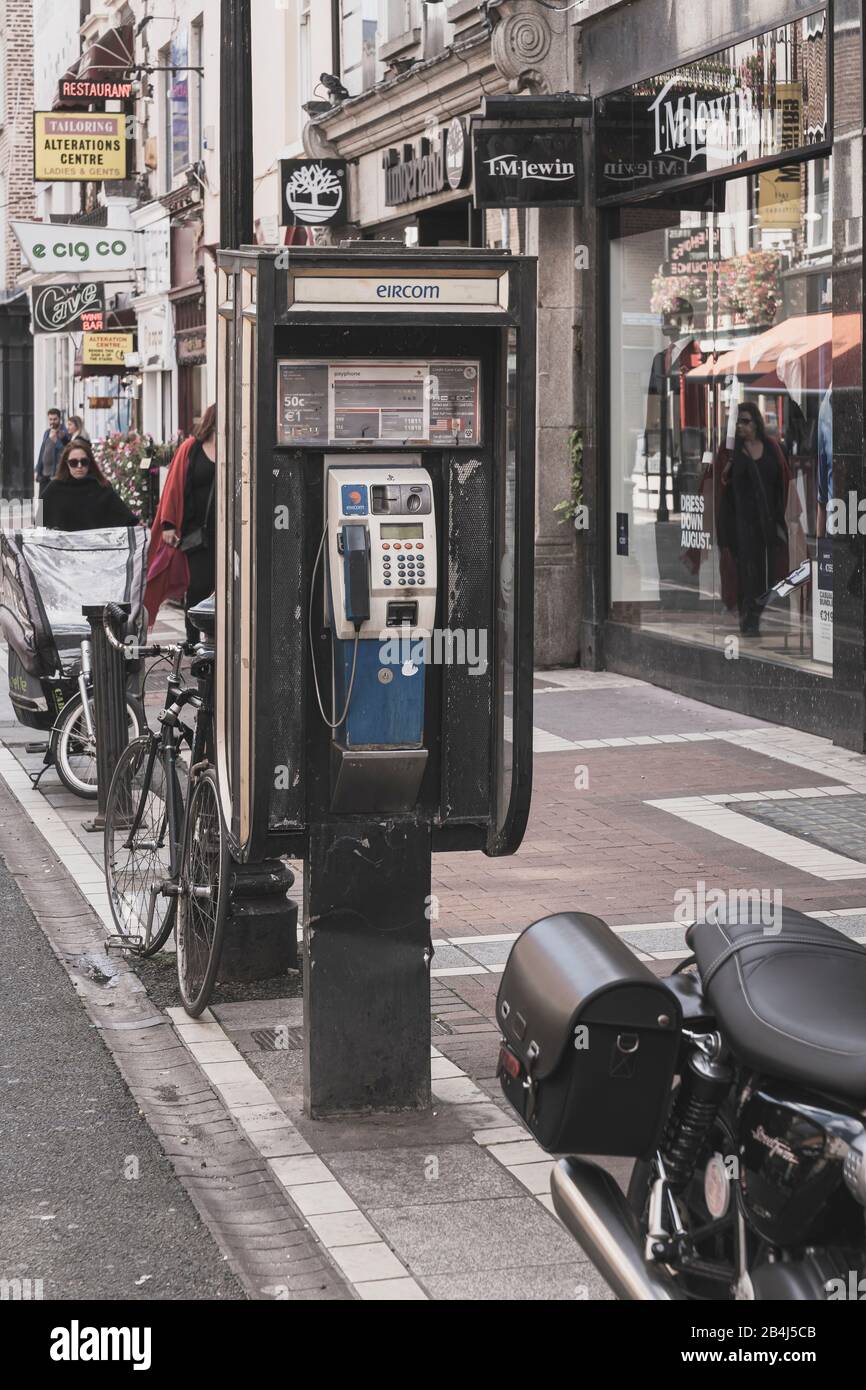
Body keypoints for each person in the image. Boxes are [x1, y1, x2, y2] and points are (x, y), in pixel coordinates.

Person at [717, 401, 790, 636]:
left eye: (745, 421)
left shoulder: (771, 448)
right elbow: (720, 486)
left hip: (766, 523)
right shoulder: (731, 451)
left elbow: (782, 481)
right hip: (740, 524)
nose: (740, 426)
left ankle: (755, 614)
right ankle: (747, 619)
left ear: (756, 423)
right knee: (744, 573)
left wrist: (783, 516)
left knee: (765, 575)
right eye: (737, 421)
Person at [144, 405, 217, 638]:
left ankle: (219, 640)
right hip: (197, 532)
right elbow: (173, 486)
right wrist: (168, 524)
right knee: (198, 586)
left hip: (226, 532)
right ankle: (194, 640)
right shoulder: (191, 448)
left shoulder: (237, 447)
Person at [42, 440, 140, 531]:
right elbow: (35, 519)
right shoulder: (54, 488)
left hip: (97, 548)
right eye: (73, 462)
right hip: (61, 548)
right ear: (66, 464)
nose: (79, 466)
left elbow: (128, 520)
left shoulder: (102, 488)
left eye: (84, 462)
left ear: (90, 463)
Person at [35, 409, 69, 498]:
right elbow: (42, 452)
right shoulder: (47, 432)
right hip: (43, 474)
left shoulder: (64, 433)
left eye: (55, 419)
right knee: (41, 500)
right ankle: (41, 512)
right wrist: (37, 470)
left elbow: (66, 452)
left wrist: (56, 441)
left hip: (55, 474)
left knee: (54, 500)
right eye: (50, 419)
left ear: (59, 419)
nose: (52, 422)